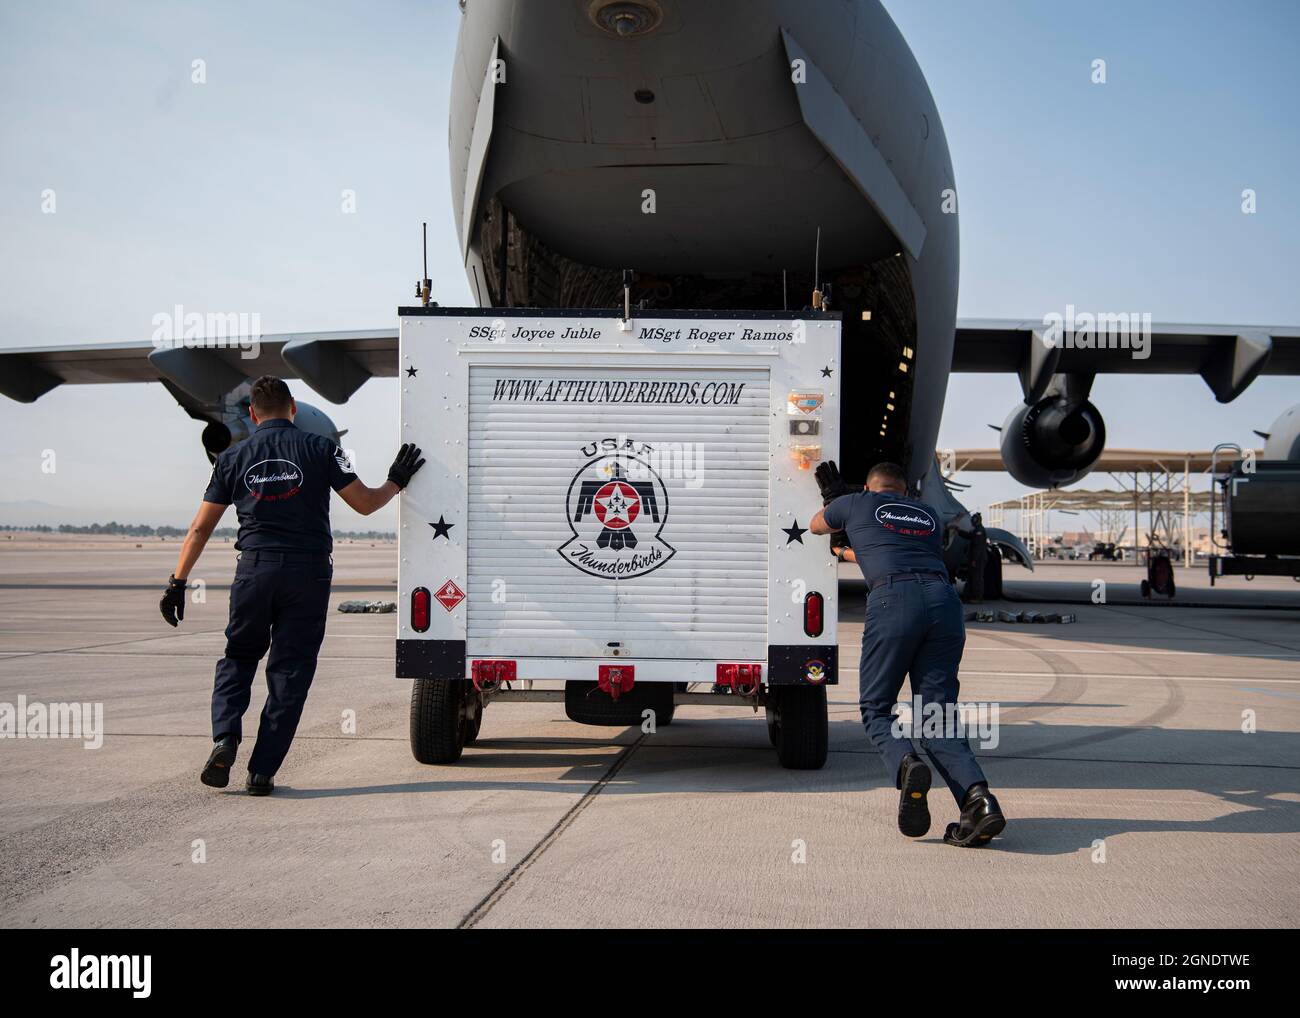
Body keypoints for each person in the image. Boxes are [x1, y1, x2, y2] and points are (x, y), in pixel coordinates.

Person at [159, 375, 425, 796]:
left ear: (252, 414)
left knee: (239, 657)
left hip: (254, 572)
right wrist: (396, 480)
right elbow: (366, 503)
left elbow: (199, 529)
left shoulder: (231, 459)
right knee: (290, 670)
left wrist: (178, 582)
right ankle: (262, 771)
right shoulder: (322, 449)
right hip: (308, 573)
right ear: (293, 408)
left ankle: (225, 739)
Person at [810, 460, 1006, 847]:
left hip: (894, 599)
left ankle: (906, 764)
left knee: (877, 707)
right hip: (944, 602)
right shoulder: (929, 516)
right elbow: (873, 548)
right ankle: (979, 801)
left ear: (869, 486)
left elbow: (818, 524)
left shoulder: (854, 503)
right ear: (905, 490)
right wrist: (848, 542)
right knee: (937, 717)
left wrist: (836, 500)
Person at [957, 511, 989, 603]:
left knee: (976, 579)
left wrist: (974, 559)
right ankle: (971, 596)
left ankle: (977, 598)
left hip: (978, 559)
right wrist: (958, 531)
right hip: (976, 558)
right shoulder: (977, 530)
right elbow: (969, 536)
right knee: (972, 578)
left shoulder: (979, 531)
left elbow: (977, 547)